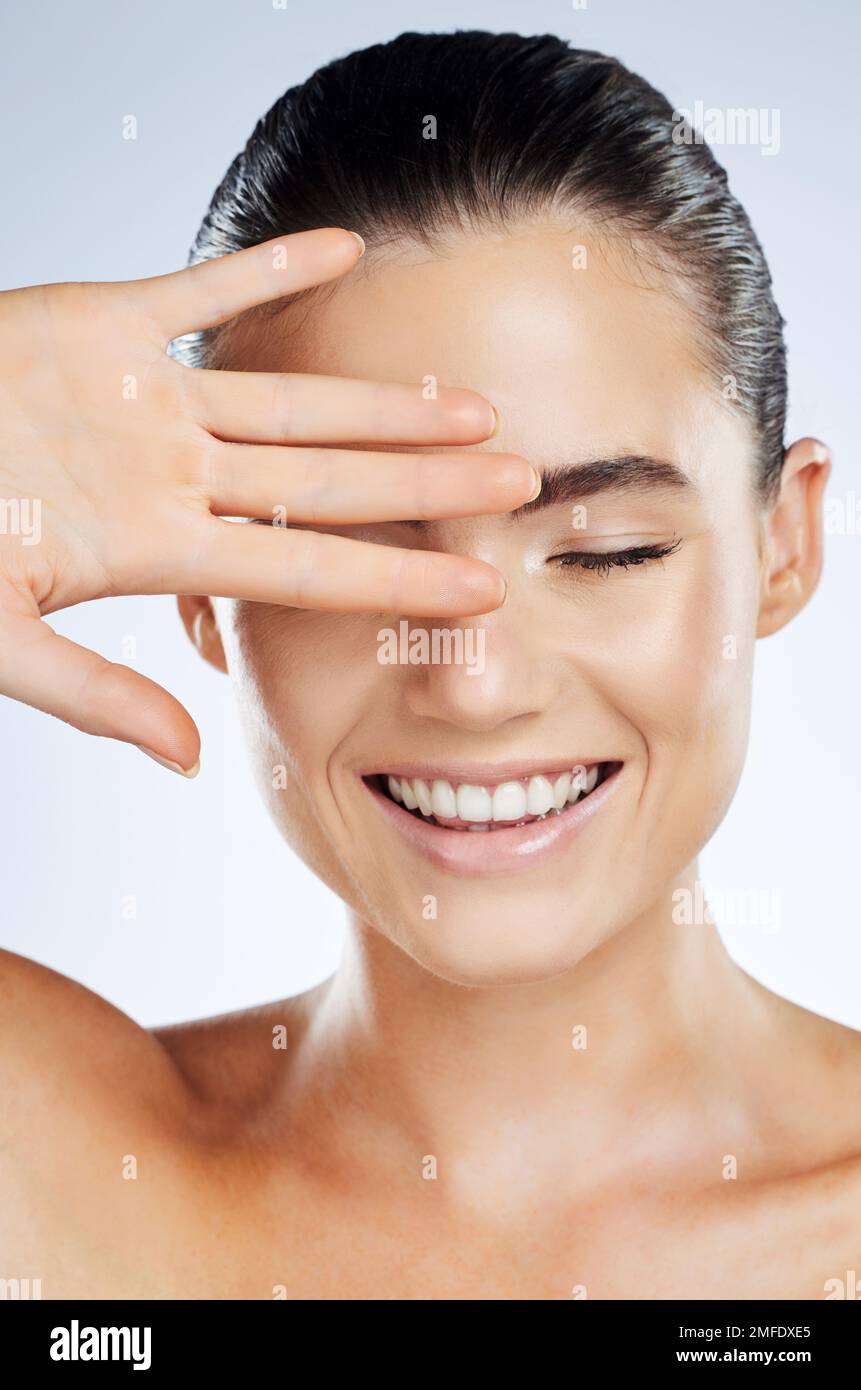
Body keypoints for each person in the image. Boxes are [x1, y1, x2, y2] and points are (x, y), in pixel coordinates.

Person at [0, 31, 855, 1300]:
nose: (475, 681)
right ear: (203, 590)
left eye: (606, 552)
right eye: (346, 562)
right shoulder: (47, 1165)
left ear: (782, 548)